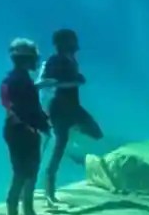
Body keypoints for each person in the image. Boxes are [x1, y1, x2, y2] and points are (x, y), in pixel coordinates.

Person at [38, 28, 103, 204]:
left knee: (96, 133)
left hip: (73, 107)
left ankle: (71, 147)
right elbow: (48, 82)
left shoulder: (70, 59)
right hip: (59, 110)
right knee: (58, 149)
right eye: (72, 40)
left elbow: (62, 80)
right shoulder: (55, 60)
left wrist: (76, 78)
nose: (76, 44)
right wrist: (74, 81)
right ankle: (49, 193)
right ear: (64, 43)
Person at [1, 38, 51, 215]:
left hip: (23, 131)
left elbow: (26, 107)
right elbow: (16, 109)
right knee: (21, 173)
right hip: (21, 132)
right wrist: (32, 127)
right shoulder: (17, 81)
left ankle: (27, 213)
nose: (36, 61)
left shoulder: (17, 79)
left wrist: (41, 123)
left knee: (29, 172)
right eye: (34, 58)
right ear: (25, 59)